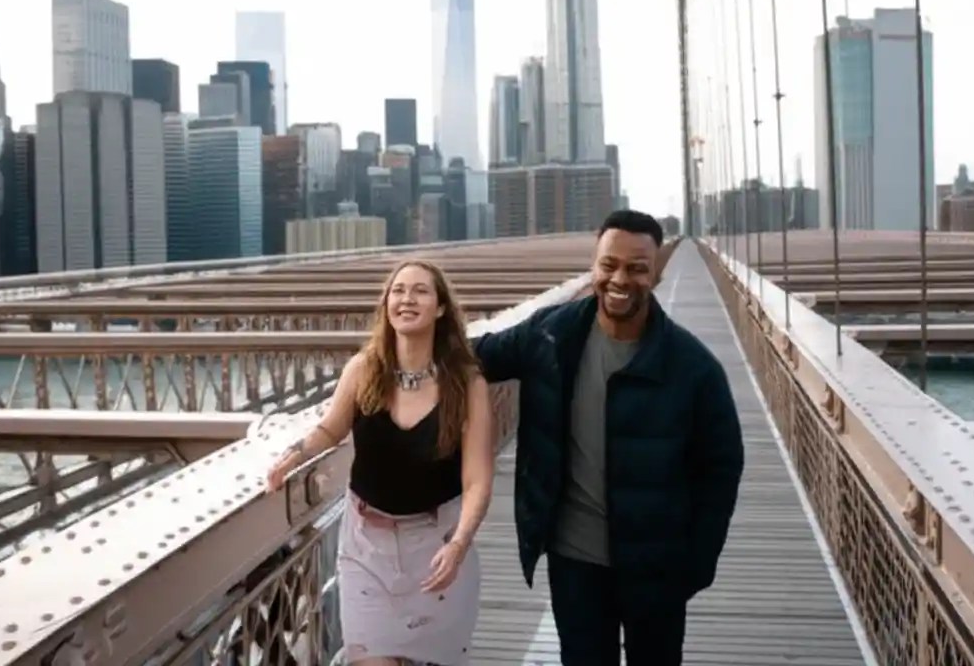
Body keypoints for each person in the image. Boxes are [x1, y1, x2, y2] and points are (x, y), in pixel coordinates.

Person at [472, 209, 745, 665]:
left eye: (637, 268)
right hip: (574, 558)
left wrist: (697, 563)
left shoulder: (694, 367)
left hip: (657, 565)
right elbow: (473, 357)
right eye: (609, 265)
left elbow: (722, 467)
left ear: (657, 273)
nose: (620, 279)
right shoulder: (550, 334)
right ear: (593, 266)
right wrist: (387, 357)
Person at [265, 259, 496, 666]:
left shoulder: (466, 383)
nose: (407, 299)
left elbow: (477, 478)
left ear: (441, 308)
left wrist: (460, 543)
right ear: (386, 304)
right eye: (398, 290)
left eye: (421, 291)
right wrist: (295, 455)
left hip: (438, 545)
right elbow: (331, 429)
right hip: (365, 548)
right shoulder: (363, 370)